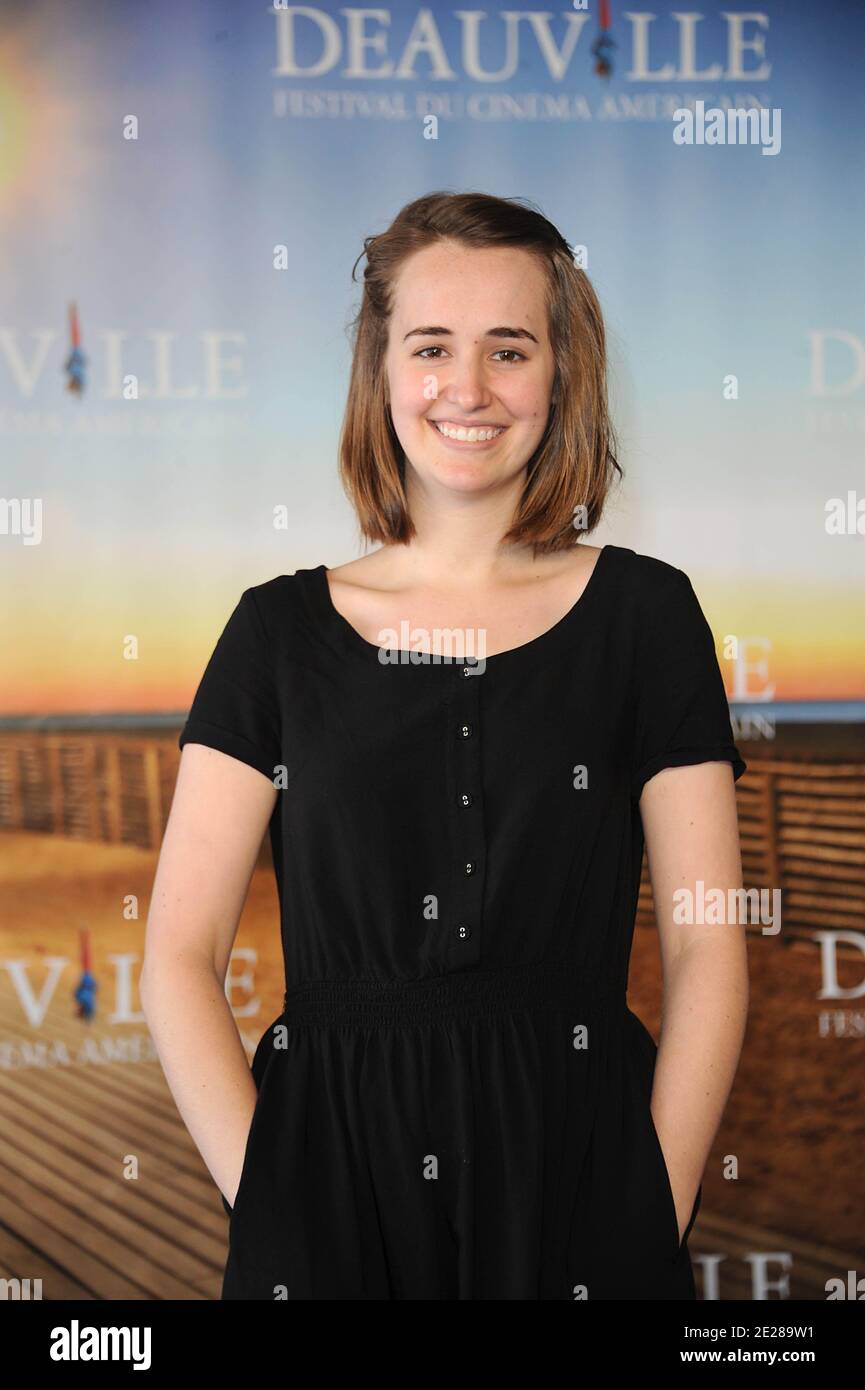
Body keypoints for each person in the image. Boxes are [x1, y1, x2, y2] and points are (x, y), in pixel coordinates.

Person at [142, 190, 748, 1300]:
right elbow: (177, 958)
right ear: (381, 369)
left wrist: (645, 1208)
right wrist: (273, 1197)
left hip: (580, 1168)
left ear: (561, 372)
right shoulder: (273, 633)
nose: (466, 388)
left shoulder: (647, 617)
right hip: (328, 1184)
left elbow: (710, 950)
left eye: (508, 349)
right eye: (431, 347)